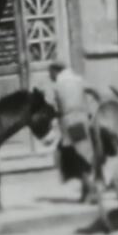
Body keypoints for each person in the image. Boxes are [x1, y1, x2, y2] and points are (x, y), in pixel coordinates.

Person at [49, 61, 94, 191]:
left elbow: (55, 107)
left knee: (77, 156)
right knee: (80, 153)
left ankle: (90, 188)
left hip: (71, 122)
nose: (50, 76)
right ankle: (86, 189)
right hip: (82, 119)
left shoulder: (58, 85)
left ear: (56, 71)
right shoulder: (78, 80)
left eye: (50, 73)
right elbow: (94, 90)